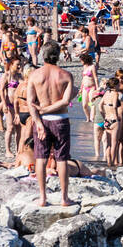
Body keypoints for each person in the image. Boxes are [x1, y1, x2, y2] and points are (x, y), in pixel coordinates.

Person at [26, 42, 76, 208]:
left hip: (43, 121)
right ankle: (64, 198)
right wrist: (46, 110)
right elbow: (66, 101)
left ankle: (42, 198)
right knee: (61, 159)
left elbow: (30, 102)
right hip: (60, 119)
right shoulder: (66, 75)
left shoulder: (34, 75)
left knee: (40, 158)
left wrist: (39, 121)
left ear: (42, 54)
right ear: (59, 55)